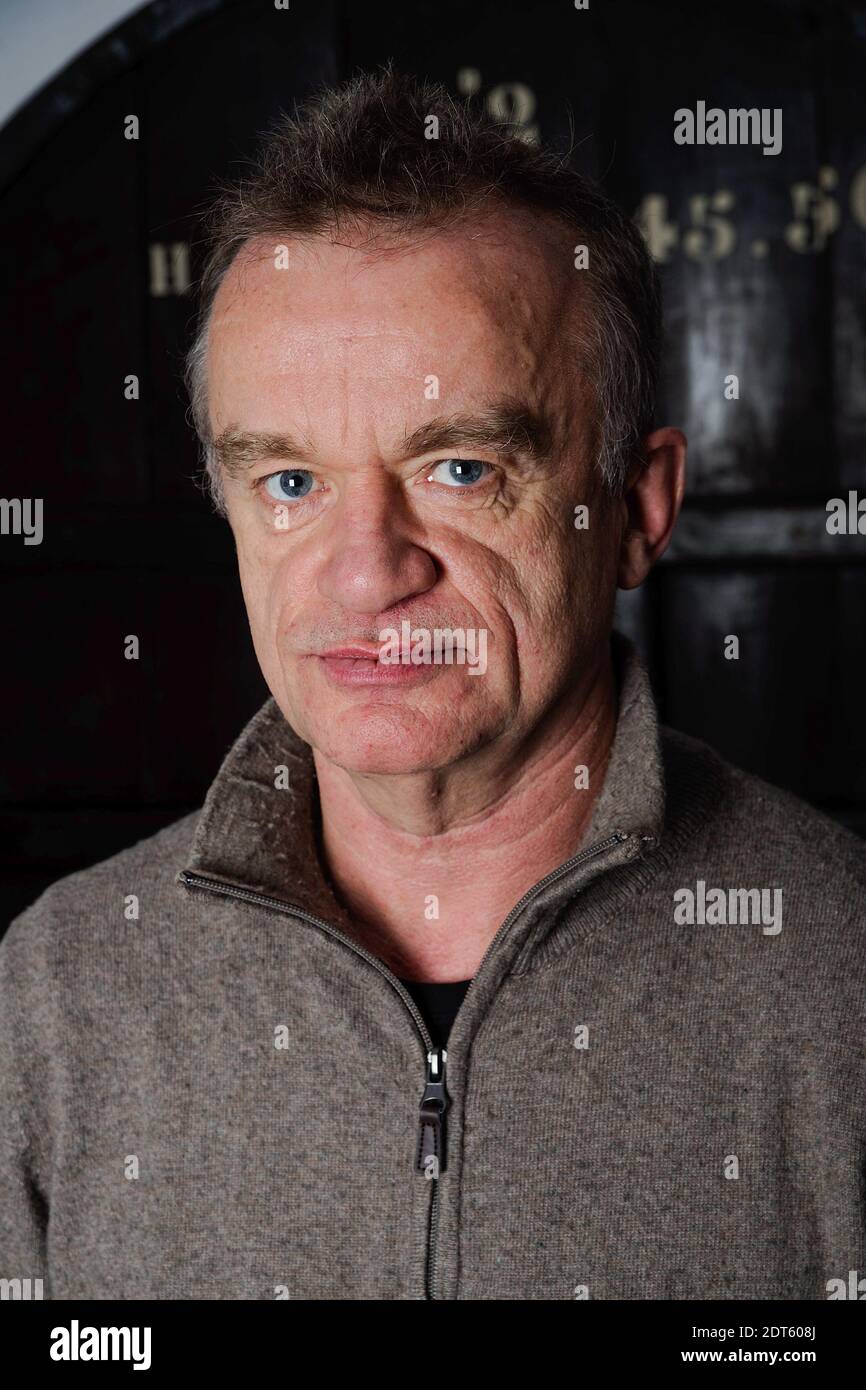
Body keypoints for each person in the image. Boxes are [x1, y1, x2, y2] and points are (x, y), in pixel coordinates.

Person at [1, 65, 864, 1301]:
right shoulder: (54, 995)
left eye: (459, 468)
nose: (363, 576)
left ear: (633, 508)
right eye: (288, 483)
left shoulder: (843, 980)